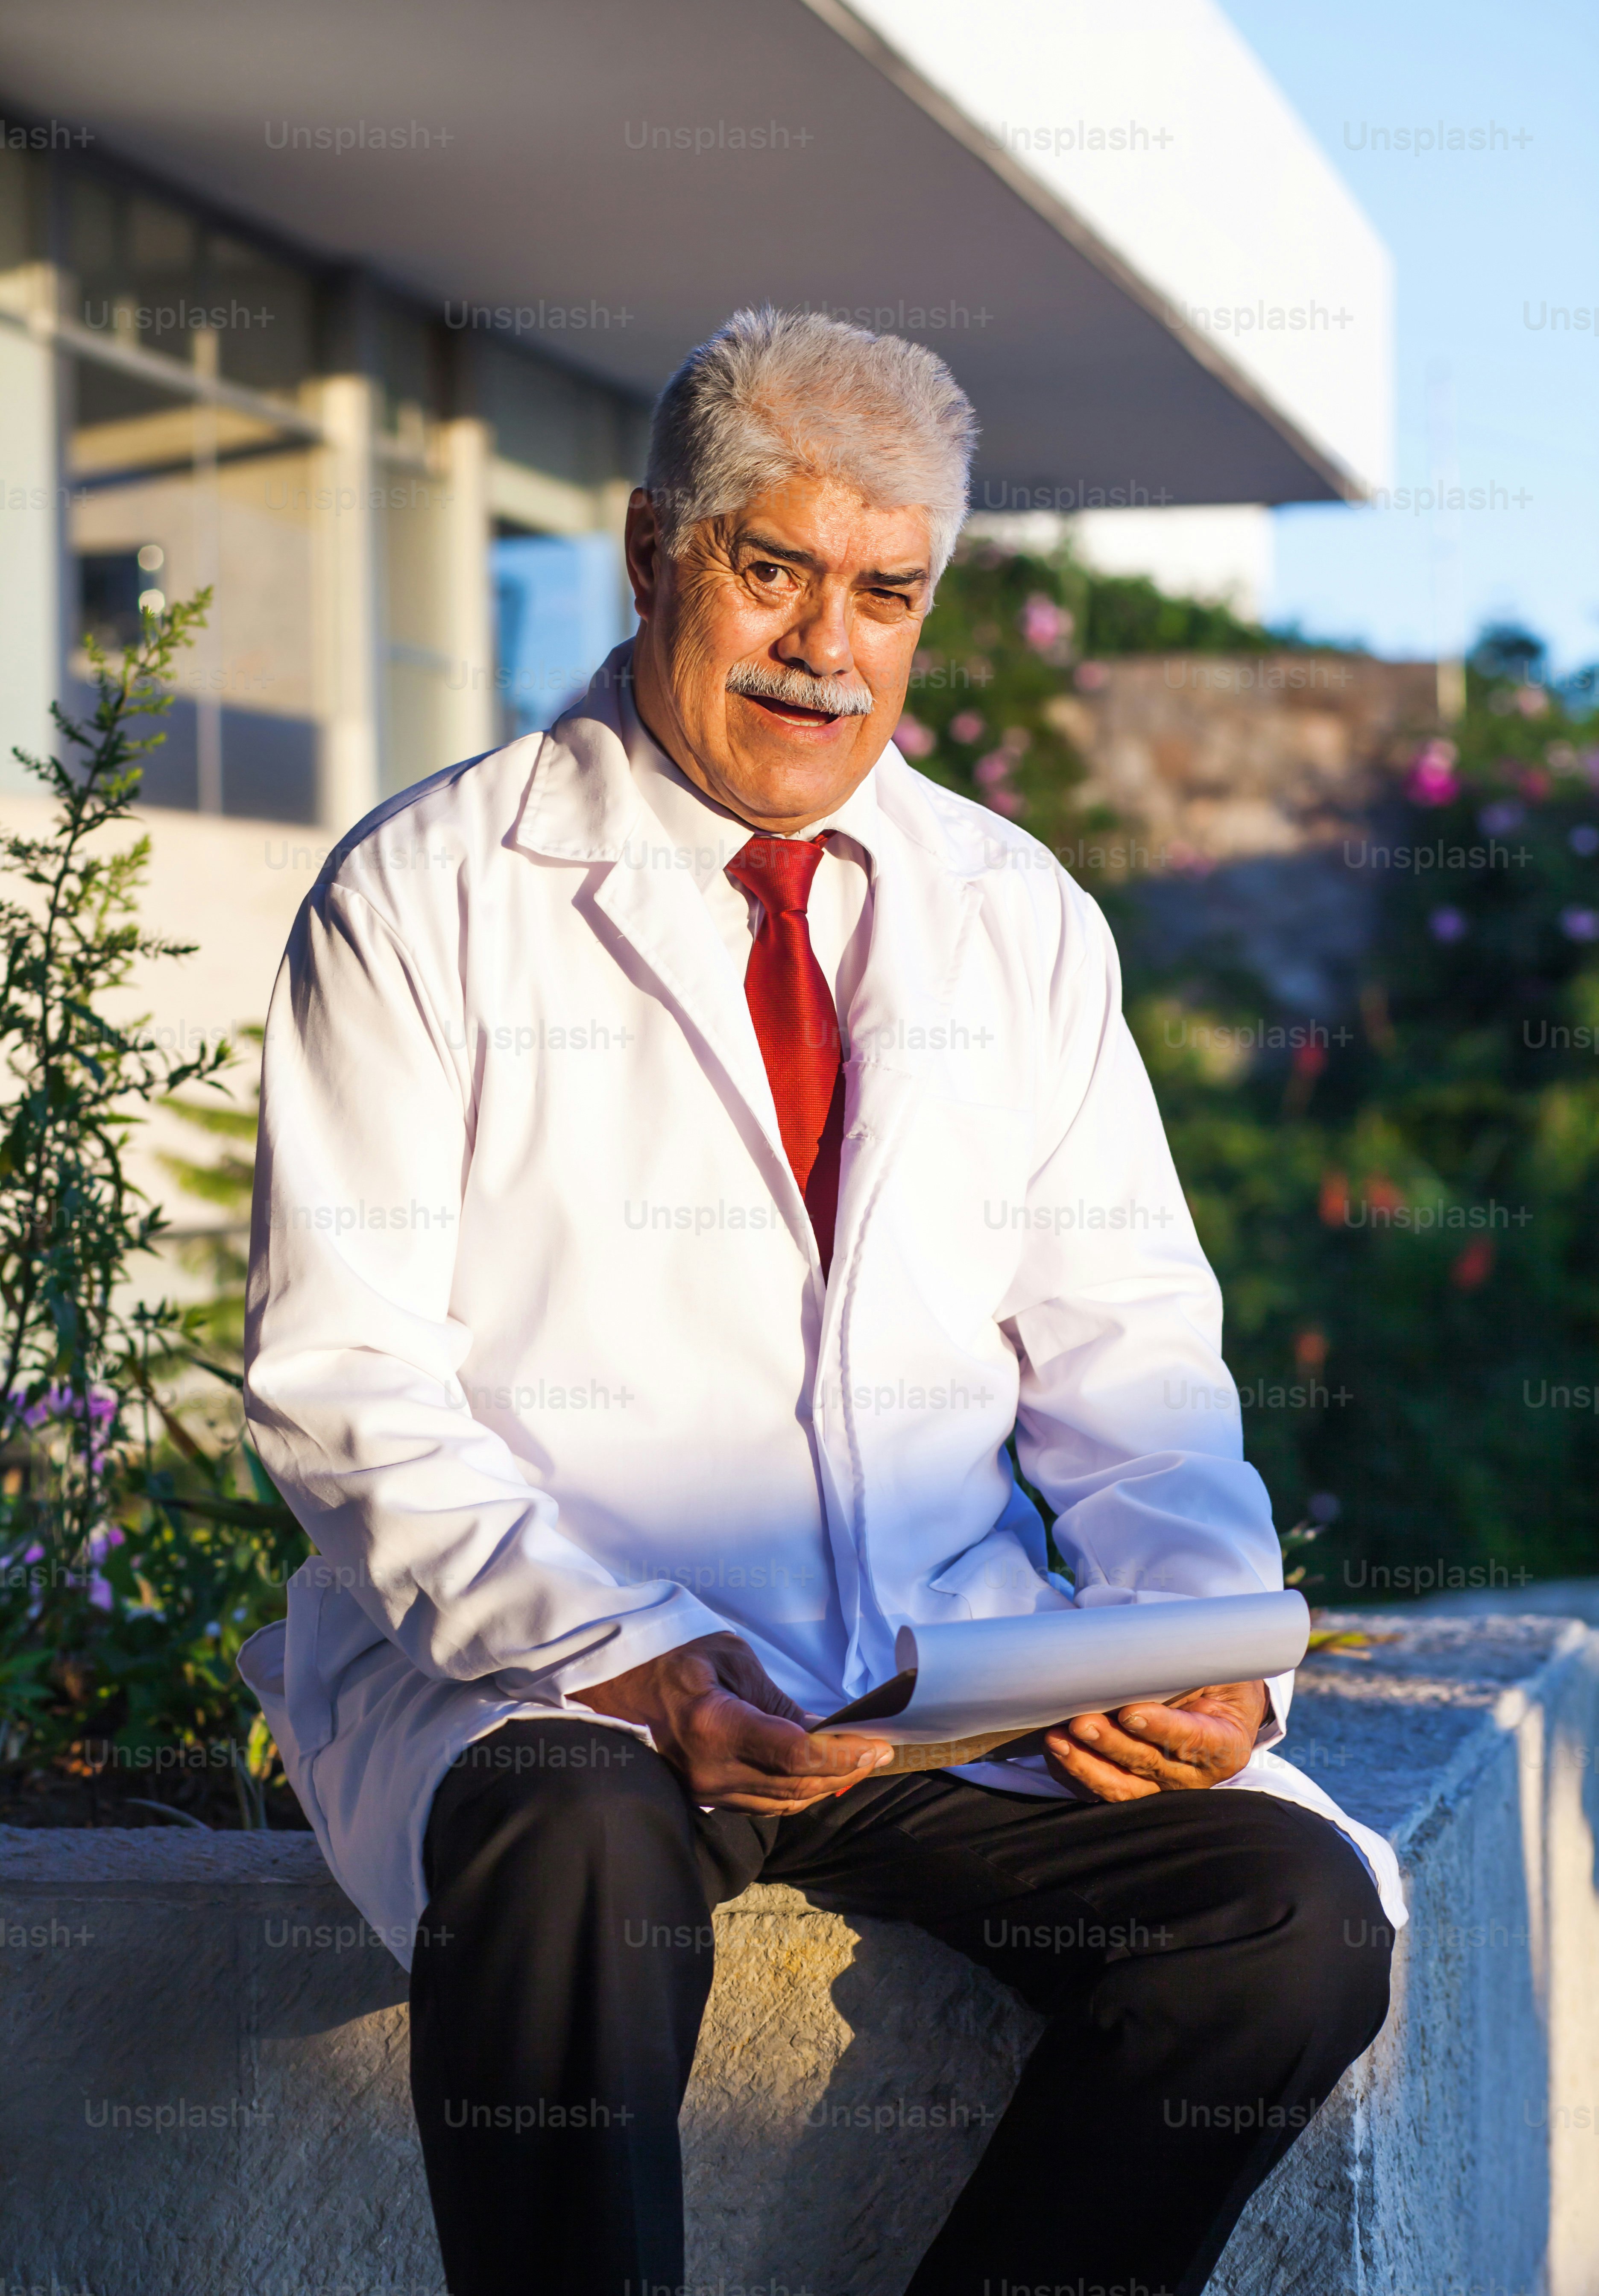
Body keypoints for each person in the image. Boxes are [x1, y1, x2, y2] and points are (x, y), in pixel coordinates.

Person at [239, 308, 1401, 2296]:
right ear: (649, 556)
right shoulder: (424, 891)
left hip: (940, 1697)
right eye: (771, 569)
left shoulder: (1015, 912)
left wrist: (1197, 1651)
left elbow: (1126, 1351)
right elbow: (345, 1382)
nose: (826, 644)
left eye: (887, 593)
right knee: (564, 1857)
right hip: (582, 1687)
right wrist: (644, 1660)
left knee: (1290, 1920)